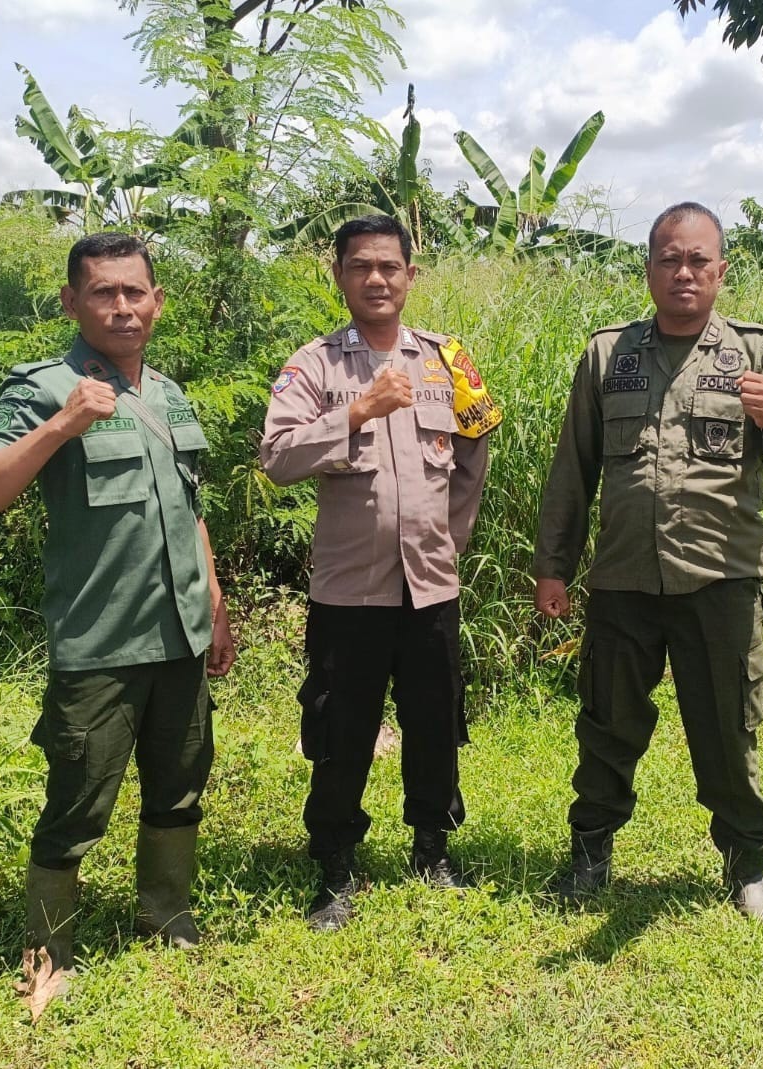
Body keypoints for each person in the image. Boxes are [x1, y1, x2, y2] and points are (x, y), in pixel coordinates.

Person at [532, 202, 763, 925]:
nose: (684, 273)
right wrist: (553, 565)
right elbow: (573, 468)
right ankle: (590, 853)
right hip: (623, 579)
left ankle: (747, 867)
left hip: (720, 579)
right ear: (648, 270)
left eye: (699, 260)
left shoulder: (760, 352)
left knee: (727, 729)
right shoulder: (608, 354)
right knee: (607, 726)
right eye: (669, 259)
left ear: (721, 271)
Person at [0, 232, 236, 989]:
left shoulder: (168, 394)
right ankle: (48, 953)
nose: (122, 307)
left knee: (180, 786)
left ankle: (166, 915)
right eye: (103, 292)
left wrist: (214, 599)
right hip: (100, 642)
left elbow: (189, 507)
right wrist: (61, 427)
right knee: (77, 803)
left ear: (157, 302)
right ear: (71, 301)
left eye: (135, 291)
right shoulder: (47, 389)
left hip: (179, 636)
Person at [261, 214, 499, 931]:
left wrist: (448, 541)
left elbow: (474, 455)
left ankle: (432, 848)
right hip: (349, 591)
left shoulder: (447, 360)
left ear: (410, 276)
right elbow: (277, 458)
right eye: (360, 266)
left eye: (389, 266)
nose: (376, 278)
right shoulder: (315, 366)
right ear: (338, 274)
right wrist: (357, 413)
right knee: (342, 728)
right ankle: (335, 865)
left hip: (430, 585)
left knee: (435, 721)